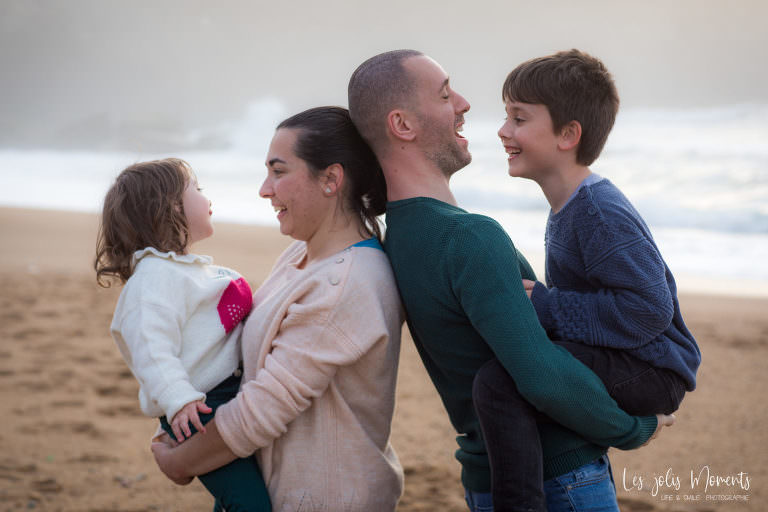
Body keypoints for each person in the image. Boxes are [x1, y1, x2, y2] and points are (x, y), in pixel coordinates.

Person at [348, 50, 674, 512]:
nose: (463, 103)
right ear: (402, 124)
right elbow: (543, 376)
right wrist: (634, 429)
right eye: (445, 94)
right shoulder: (467, 237)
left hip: (489, 478)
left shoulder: (396, 235)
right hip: (558, 478)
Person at [150, 106, 405, 511]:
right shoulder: (301, 255)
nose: (264, 189)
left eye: (279, 171)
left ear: (331, 179)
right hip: (276, 487)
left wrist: (179, 462)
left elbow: (260, 412)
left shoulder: (344, 283)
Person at [492, 48, 701, 508]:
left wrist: (547, 307)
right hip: (625, 357)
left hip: (651, 369)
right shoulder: (570, 206)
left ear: (568, 134)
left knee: (500, 382)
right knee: (515, 370)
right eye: (506, 116)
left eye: (519, 118)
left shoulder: (598, 212)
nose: (503, 130)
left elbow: (648, 310)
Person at [95, 158, 271, 511]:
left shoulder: (183, 271)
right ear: (172, 206)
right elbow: (151, 348)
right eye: (198, 190)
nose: (208, 198)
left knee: (239, 497)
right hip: (201, 407)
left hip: (225, 397)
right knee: (249, 502)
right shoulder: (153, 278)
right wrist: (178, 400)